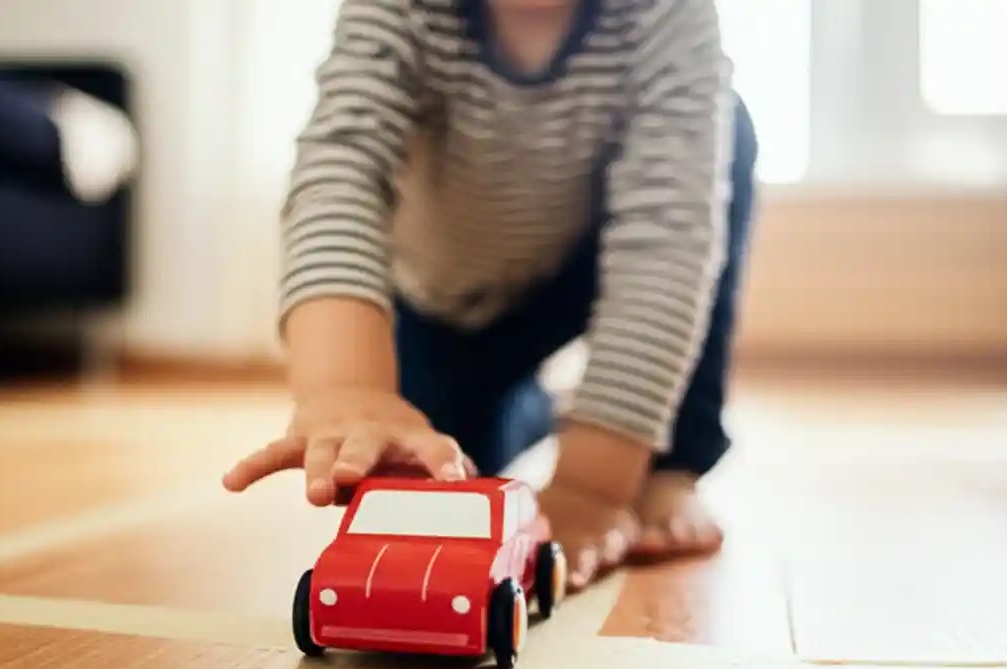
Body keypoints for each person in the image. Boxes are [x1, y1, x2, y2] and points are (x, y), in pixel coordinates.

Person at [223, 0, 758, 589]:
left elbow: (665, 240)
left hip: (573, 274)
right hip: (440, 308)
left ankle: (670, 459)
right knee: (448, 464)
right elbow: (341, 170)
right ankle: (540, 410)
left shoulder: (665, 14)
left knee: (724, 131)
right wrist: (346, 388)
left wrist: (591, 487)